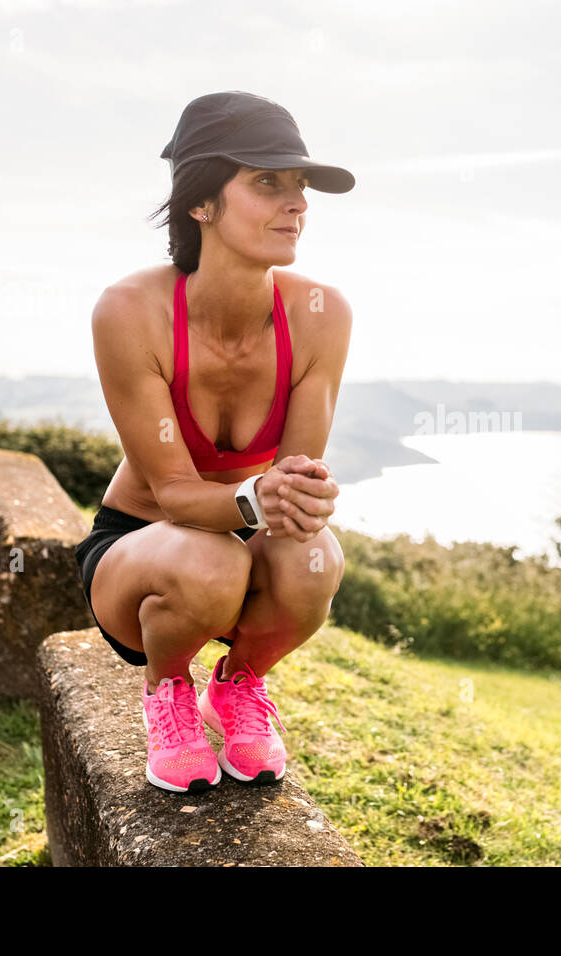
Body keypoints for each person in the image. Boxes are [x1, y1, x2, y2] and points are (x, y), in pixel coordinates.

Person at [73, 91, 355, 793]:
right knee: (208, 560)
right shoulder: (131, 311)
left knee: (317, 557)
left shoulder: (321, 315)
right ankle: (167, 692)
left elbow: (290, 483)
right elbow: (171, 493)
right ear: (201, 202)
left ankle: (237, 686)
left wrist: (304, 497)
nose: (298, 204)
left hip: (240, 536)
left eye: (300, 187)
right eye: (268, 182)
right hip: (140, 550)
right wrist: (263, 501)